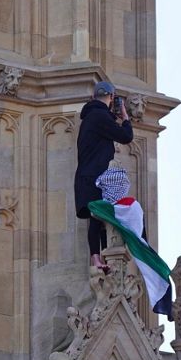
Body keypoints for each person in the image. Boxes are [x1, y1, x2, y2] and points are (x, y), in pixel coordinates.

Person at [90, 167, 173, 318]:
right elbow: (142, 238)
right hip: (114, 256)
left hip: (120, 256)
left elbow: (141, 240)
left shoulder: (103, 208)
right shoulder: (132, 207)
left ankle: (97, 259)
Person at [74, 82, 133, 271]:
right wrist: (124, 117)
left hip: (86, 176)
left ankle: (99, 260)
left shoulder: (91, 117)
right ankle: (98, 260)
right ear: (111, 97)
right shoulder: (99, 116)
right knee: (98, 216)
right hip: (95, 177)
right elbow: (126, 136)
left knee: (99, 218)